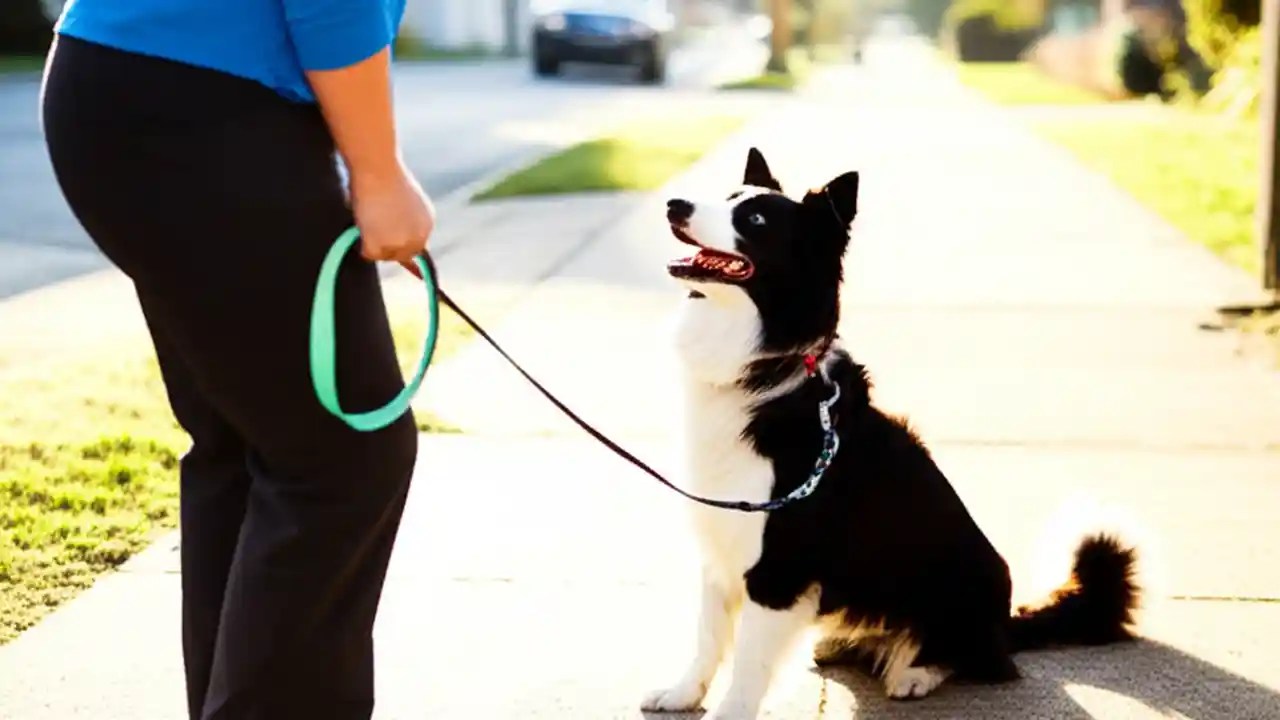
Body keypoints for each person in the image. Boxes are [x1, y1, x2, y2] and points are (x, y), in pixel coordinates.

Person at [40, 1, 433, 718]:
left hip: (137, 92)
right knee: (343, 458)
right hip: (198, 110)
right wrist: (377, 172)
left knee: (252, 447)